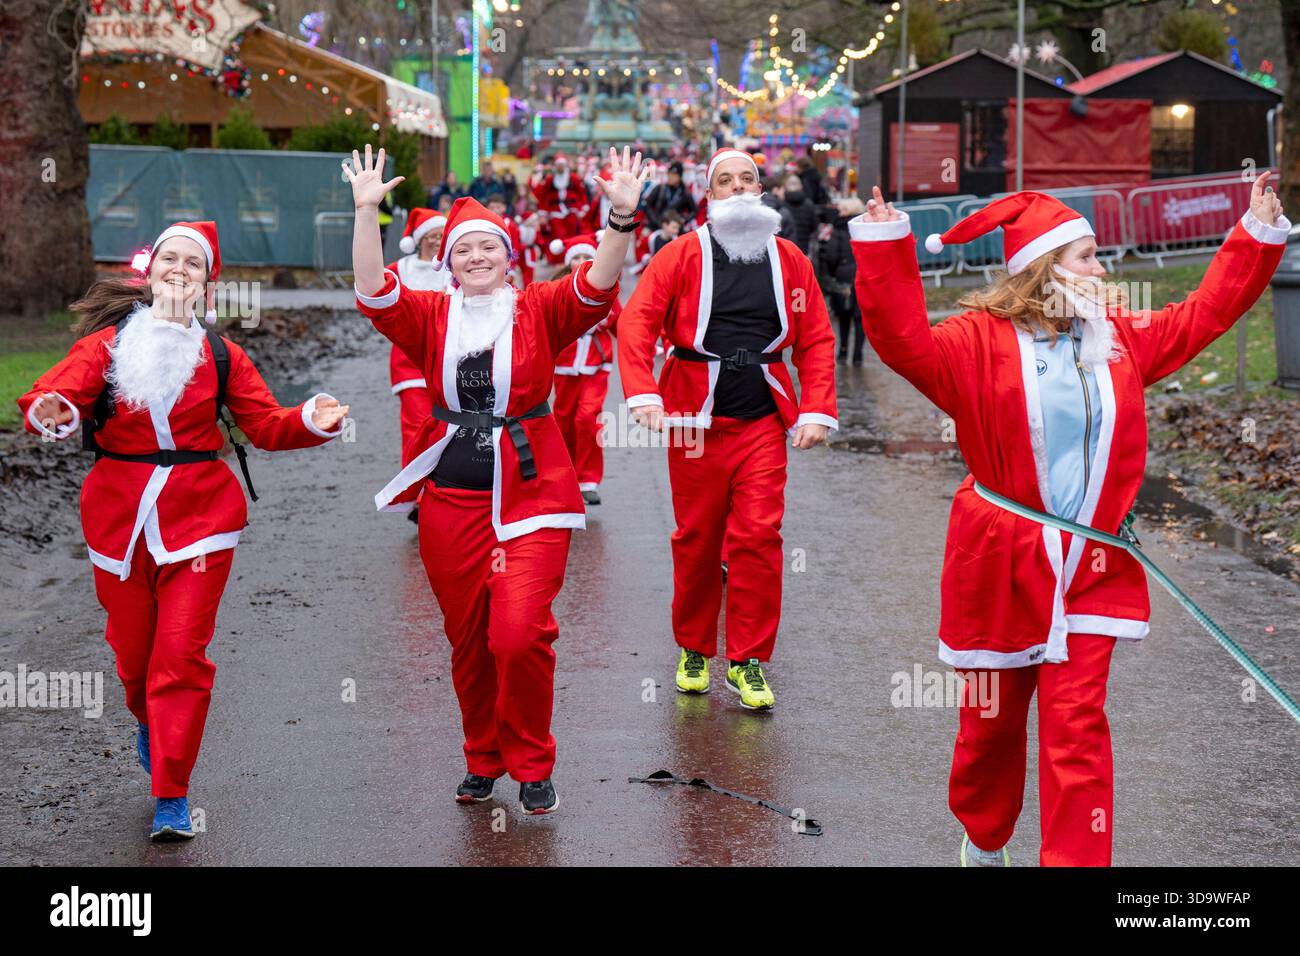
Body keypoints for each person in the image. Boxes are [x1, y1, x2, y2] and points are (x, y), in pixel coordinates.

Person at [850, 176, 1288, 866]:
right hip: (1000, 559)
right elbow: (902, 342)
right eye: (1086, 256)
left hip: (1092, 565)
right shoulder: (973, 342)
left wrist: (1254, 233)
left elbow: (1203, 314)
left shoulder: (1117, 338)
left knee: (1076, 725)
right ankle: (986, 835)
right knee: (990, 727)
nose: (1101, 269)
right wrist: (883, 248)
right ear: (1044, 269)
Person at [17, 220, 348, 841]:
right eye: (169, 259)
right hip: (118, 525)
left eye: (191, 265)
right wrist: (52, 408)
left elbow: (270, 426)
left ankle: (172, 792)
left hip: (201, 525)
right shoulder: (109, 346)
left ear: (206, 285)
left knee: (180, 657)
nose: (178, 269)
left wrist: (314, 418)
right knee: (133, 659)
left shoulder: (223, 355)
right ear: (151, 272)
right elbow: (59, 390)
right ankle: (149, 721)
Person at [346, 144, 646, 815]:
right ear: (448, 263)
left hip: (534, 495)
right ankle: (482, 757)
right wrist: (368, 214)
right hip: (451, 501)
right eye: (464, 251)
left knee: (518, 634)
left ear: (508, 255)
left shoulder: (539, 307)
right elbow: (372, 291)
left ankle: (533, 760)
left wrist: (620, 221)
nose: (477, 258)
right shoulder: (429, 314)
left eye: (489, 248)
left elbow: (596, 287)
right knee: (469, 641)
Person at [618, 148, 838, 711]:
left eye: (748, 179)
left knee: (759, 538)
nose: (738, 187)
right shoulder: (680, 256)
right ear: (709, 195)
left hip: (763, 417)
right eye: (725, 181)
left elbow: (814, 337)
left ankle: (748, 660)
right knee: (697, 540)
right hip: (694, 419)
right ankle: (694, 647)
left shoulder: (790, 259)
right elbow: (638, 321)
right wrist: (643, 393)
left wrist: (816, 407)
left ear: (761, 191)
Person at [387, 208, 450, 524]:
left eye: (441, 234)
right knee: (415, 427)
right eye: (431, 234)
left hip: (448, 360)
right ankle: (414, 495)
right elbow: (377, 298)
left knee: (445, 428)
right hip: (410, 363)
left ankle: (441, 491)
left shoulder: (452, 266)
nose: (436, 239)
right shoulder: (400, 268)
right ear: (419, 238)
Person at [549, 234, 621, 505]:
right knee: (563, 420)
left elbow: (622, 324)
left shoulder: (606, 287)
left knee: (587, 417)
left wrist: (643, 346)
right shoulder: (557, 288)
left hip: (596, 364)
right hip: (565, 365)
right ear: (568, 263)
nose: (581, 262)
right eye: (575, 257)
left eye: (585, 256)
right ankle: (565, 476)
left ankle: (589, 480)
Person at [817, 196, 866, 365]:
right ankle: (858, 355)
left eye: (842, 209)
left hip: (843, 277)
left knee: (844, 315)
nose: (838, 211)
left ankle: (843, 351)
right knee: (860, 318)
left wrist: (833, 273)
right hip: (863, 276)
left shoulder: (838, 230)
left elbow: (831, 256)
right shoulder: (864, 228)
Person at [530, 153, 589, 242]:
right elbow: (543, 195)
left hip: (571, 210)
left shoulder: (573, 178)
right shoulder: (550, 179)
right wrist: (543, 212)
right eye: (558, 165)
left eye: (562, 165)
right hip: (555, 211)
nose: (560, 168)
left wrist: (583, 207)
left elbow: (581, 192)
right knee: (559, 236)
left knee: (572, 235)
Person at [643, 161, 697, 230]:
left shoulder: (685, 192)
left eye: (674, 175)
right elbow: (647, 205)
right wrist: (655, 220)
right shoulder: (660, 188)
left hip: (675, 229)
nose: (670, 177)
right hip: (658, 228)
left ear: (679, 177)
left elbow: (694, 210)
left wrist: (683, 220)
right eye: (669, 174)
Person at [782, 174, 818, 254]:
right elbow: (814, 227)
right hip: (804, 248)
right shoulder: (809, 204)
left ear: (785, 187)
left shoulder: (781, 204)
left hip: (786, 248)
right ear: (801, 187)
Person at [760, 175, 796, 240]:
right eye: (782, 190)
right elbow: (790, 240)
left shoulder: (754, 209)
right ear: (775, 190)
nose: (784, 193)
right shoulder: (783, 212)